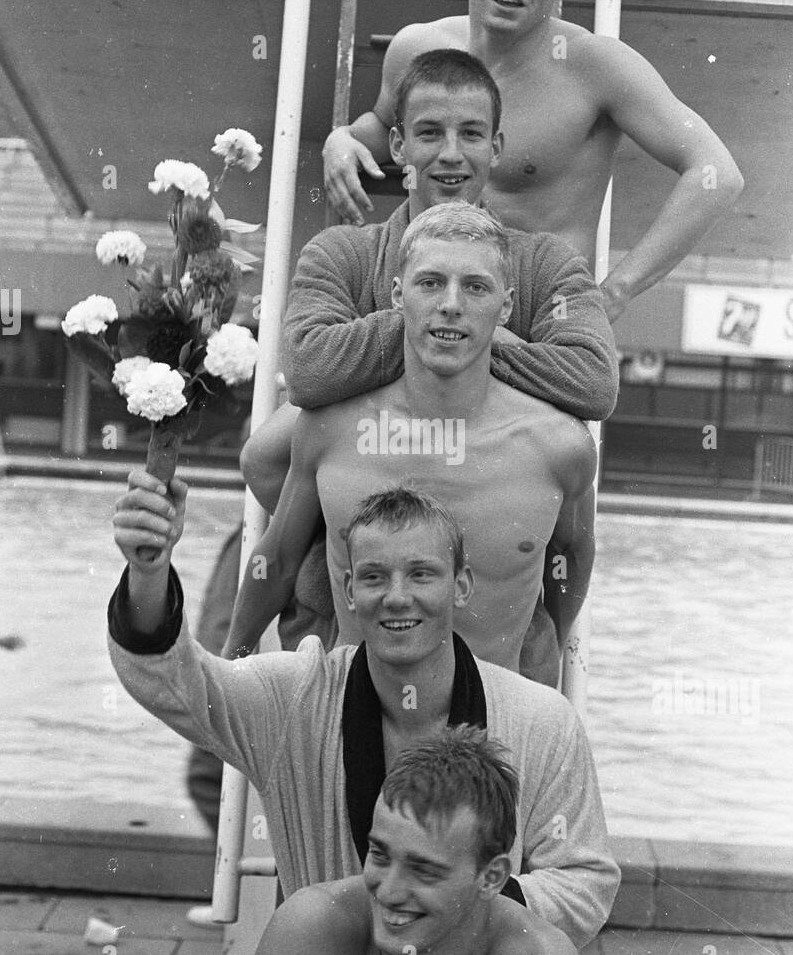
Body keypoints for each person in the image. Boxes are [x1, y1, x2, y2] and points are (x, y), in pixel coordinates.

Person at [108, 482, 619, 948]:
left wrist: (458, 907)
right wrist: (148, 573)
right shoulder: (292, 699)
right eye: (374, 577)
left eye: (421, 573)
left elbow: (583, 879)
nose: (397, 597)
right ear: (349, 591)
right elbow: (176, 686)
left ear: (461, 586)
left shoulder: (541, 720)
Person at [241, 48, 617, 676]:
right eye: (428, 133)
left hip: (496, 612)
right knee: (281, 445)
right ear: (396, 144)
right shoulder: (342, 253)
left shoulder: (544, 263)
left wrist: (464, 337)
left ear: (496, 147)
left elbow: (594, 380)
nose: (450, 154)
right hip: (354, 603)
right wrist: (444, 330)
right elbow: (307, 369)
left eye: (470, 134)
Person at [322, 0, 743, 322]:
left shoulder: (596, 65)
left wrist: (616, 292)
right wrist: (341, 139)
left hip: (539, 320)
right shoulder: (417, 48)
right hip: (436, 316)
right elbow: (381, 129)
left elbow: (716, 174)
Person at [224, 203, 597, 685]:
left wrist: (541, 656)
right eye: (430, 283)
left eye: (476, 287)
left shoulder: (560, 447)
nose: (451, 304)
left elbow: (570, 562)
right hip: (357, 726)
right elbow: (276, 562)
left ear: (505, 307)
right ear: (398, 295)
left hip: (494, 730)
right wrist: (228, 666)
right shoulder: (332, 428)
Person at [221, 727, 591, 955]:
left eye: (423, 870)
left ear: (491, 878)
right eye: (379, 855)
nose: (390, 890)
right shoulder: (314, 932)